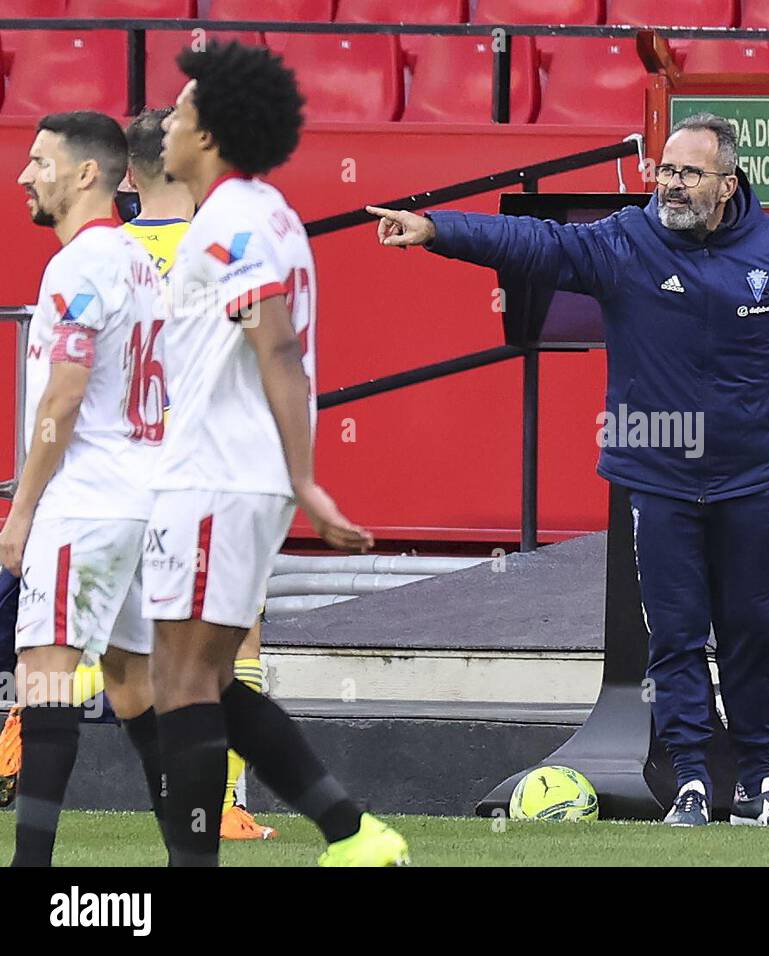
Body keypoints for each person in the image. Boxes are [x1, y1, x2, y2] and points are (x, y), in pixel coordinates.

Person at [369, 113, 769, 828]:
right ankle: (691, 780)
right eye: (664, 170)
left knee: (752, 628)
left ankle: (758, 779)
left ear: (729, 183)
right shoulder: (626, 240)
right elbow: (535, 242)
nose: (671, 185)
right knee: (677, 633)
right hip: (655, 479)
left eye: (689, 173)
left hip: (748, 480)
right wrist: (440, 231)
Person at [148, 40, 407, 865]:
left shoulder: (232, 218)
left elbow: (279, 347)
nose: (167, 125)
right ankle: (351, 833)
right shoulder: (261, 212)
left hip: (219, 477)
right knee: (210, 679)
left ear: (213, 130)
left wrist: (305, 479)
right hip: (229, 477)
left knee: (180, 683)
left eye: (182, 111)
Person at [1, 111, 167, 866]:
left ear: (87, 173)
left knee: (44, 680)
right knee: (135, 688)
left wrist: (23, 510)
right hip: (143, 500)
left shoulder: (76, 266)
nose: (25, 175)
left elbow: (62, 398)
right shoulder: (141, 263)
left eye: (40, 161)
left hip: (87, 501)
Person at [123, 106, 277, 842]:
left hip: (120, 469)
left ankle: (28, 721)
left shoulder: (104, 251)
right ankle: (222, 801)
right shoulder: (226, 248)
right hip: (209, 467)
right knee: (232, 638)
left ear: (125, 172)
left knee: (119, 641)